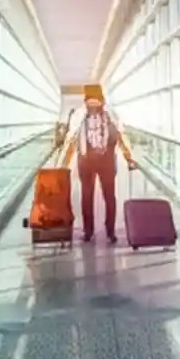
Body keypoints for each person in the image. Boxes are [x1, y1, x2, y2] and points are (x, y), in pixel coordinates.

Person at [59, 84, 138, 243]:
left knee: (94, 196)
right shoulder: (97, 115)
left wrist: (63, 165)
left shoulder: (90, 114)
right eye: (92, 101)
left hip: (94, 160)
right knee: (103, 196)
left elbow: (70, 140)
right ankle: (103, 231)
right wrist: (129, 158)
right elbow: (121, 136)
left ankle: (97, 231)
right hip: (98, 160)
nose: (94, 104)